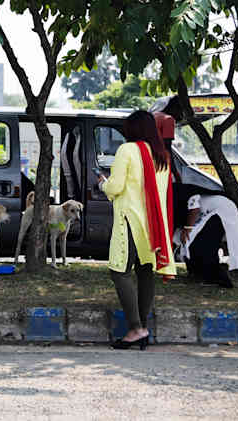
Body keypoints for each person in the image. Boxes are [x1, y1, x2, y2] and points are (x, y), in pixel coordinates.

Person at [98, 110, 176, 350]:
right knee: (145, 271)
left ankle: (136, 328)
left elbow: (116, 187)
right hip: (153, 224)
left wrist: (103, 184)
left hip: (130, 219)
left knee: (119, 271)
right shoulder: (162, 155)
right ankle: (142, 327)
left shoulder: (127, 150)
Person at [172, 183, 238, 288]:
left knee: (203, 245)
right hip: (214, 211)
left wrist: (187, 229)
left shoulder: (178, 193)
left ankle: (218, 275)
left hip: (218, 211)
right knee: (194, 241)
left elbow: (194, 208)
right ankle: (198, 273)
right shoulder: (178, 192)